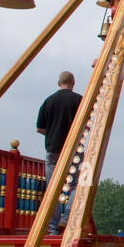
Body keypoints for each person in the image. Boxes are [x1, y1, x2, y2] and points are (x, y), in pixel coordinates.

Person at [36, 71, 83, 235]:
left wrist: (52, 133)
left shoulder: (48, 101)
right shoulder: (79, 100)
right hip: (73, 149)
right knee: (78, 184)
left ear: (59, 83)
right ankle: (66, 217)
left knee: (52, 188)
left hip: (52, 149)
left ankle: (52, 228)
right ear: (73, 82)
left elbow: (40, 128)